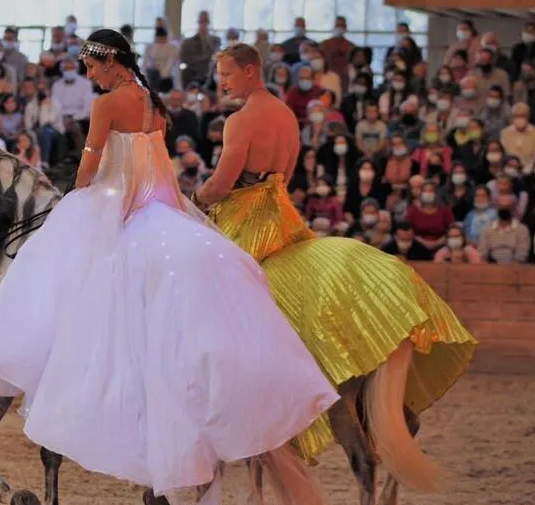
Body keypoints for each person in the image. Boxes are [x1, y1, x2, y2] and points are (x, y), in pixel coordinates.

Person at [0, 29, 338, 505]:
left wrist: (74, 203)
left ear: (108, 61)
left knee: (55, 283)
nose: (88, 74)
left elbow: (91, 170)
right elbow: (157, 172)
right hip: (161, 208)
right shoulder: (151, 101)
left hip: (122, 207)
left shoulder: (107, 103)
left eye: (91, 65)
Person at [192, 43, 476, 471]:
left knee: (207, 302)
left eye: (227, 74)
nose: (222, 82)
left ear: (251, 71)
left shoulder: (239, 120)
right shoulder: (288, 116)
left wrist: (191, 199)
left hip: (247, 223)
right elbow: (285, 175)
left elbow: (220, 184)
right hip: (284, 218)